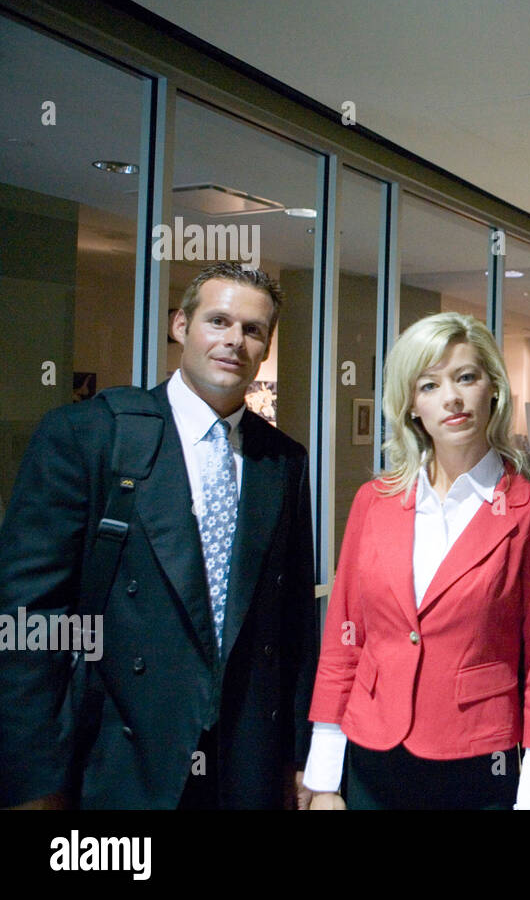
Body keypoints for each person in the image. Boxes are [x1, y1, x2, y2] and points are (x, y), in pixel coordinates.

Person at [0, 262, 317, 809]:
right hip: (118, 758)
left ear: (265, 348)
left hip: (242, 765)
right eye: (218, 321)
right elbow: (29, 617)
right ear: (180, 326)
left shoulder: (282, 461)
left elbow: (291, 628)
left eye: (253, 330)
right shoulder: (90, 435)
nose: (234, 341)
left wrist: (300, 758)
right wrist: (34, 781)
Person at [304, 312, 530, 809]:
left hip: (476, 761)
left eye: (466, 377)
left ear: (493, 388)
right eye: (429, 384)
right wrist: (322, 780)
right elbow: (345, 640)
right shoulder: (374, 501)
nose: (451, 397)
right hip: (371, 756)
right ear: (411, 405)